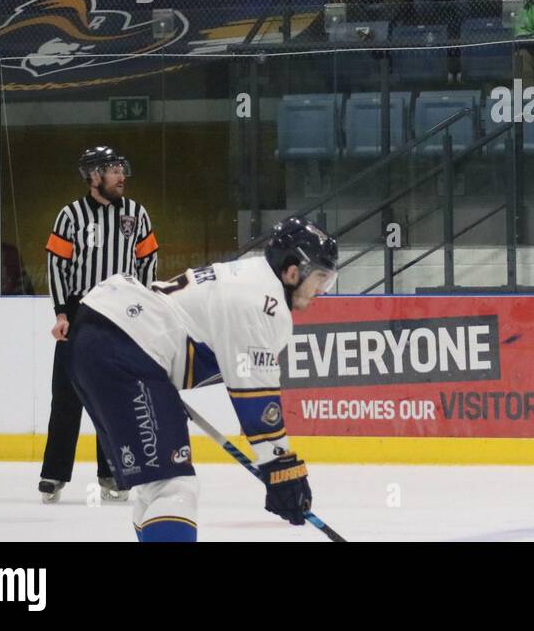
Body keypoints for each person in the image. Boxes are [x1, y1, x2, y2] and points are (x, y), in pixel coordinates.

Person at [67, 217, 337, 541]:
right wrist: (282, 468)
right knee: (172, 487)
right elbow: (257, 402)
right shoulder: (263, 303)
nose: (323, 290)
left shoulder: (251, 278)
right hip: (123, 346)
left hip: (107, 337)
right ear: (294, 271)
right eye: (321, 277)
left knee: (156, 487)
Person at [40, 146, 159, 505]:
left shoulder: (136, 214)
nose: (121, 176)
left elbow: (148, 263)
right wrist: (62, 313)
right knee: (66, 394)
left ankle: (112, 472)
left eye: (122, 168)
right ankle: (54, 474)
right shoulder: (69, 216)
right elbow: (56, 266)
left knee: (116, 396)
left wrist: (144, 309)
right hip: (80, 311)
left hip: (121, 310)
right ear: (93, 176)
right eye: (112, 170)